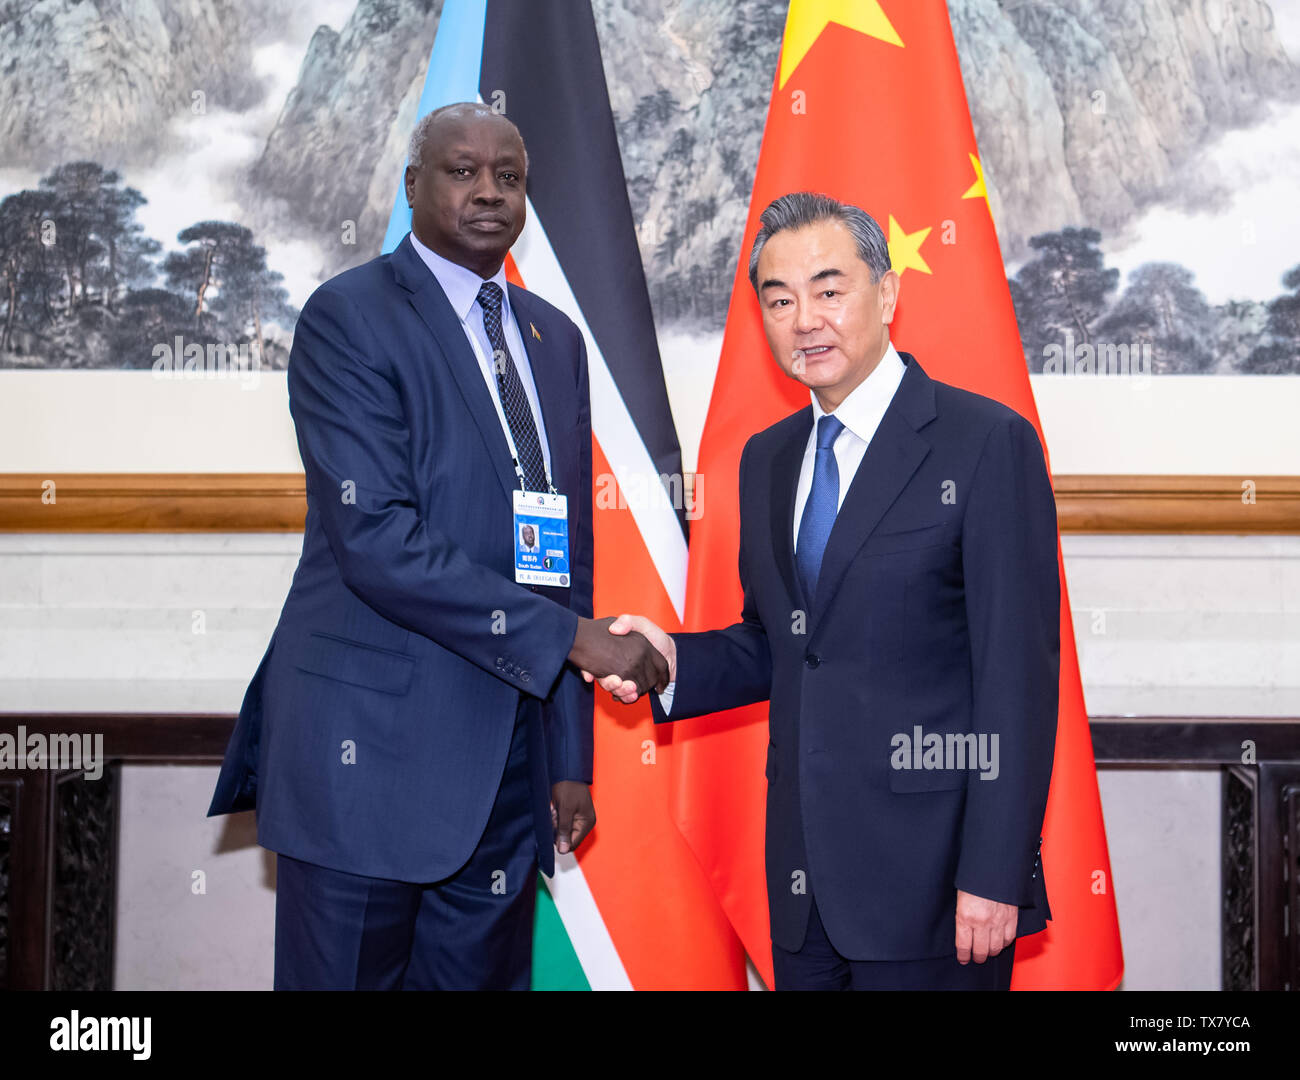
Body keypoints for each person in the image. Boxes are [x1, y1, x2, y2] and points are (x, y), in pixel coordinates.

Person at [208, 102, 666, 990]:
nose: (488, 191)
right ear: (414, 185)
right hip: (365, 761)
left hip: (503, 772)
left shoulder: (554, 341)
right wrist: (576, 642)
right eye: (462, 172)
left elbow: (556, 552)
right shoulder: (350, 318)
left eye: (508, 175)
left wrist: (568, 756)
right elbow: (378, 539)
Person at [593, 192, 1060, 991]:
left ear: (887, 294)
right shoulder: (768, 459)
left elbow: (1018, 682)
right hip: (804, 886)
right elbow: (783, 643)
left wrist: (993, 874)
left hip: (937, 887)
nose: (804, 318)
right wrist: (668, 658)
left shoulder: (986, 444)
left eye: (829, 289)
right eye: (779, 299)